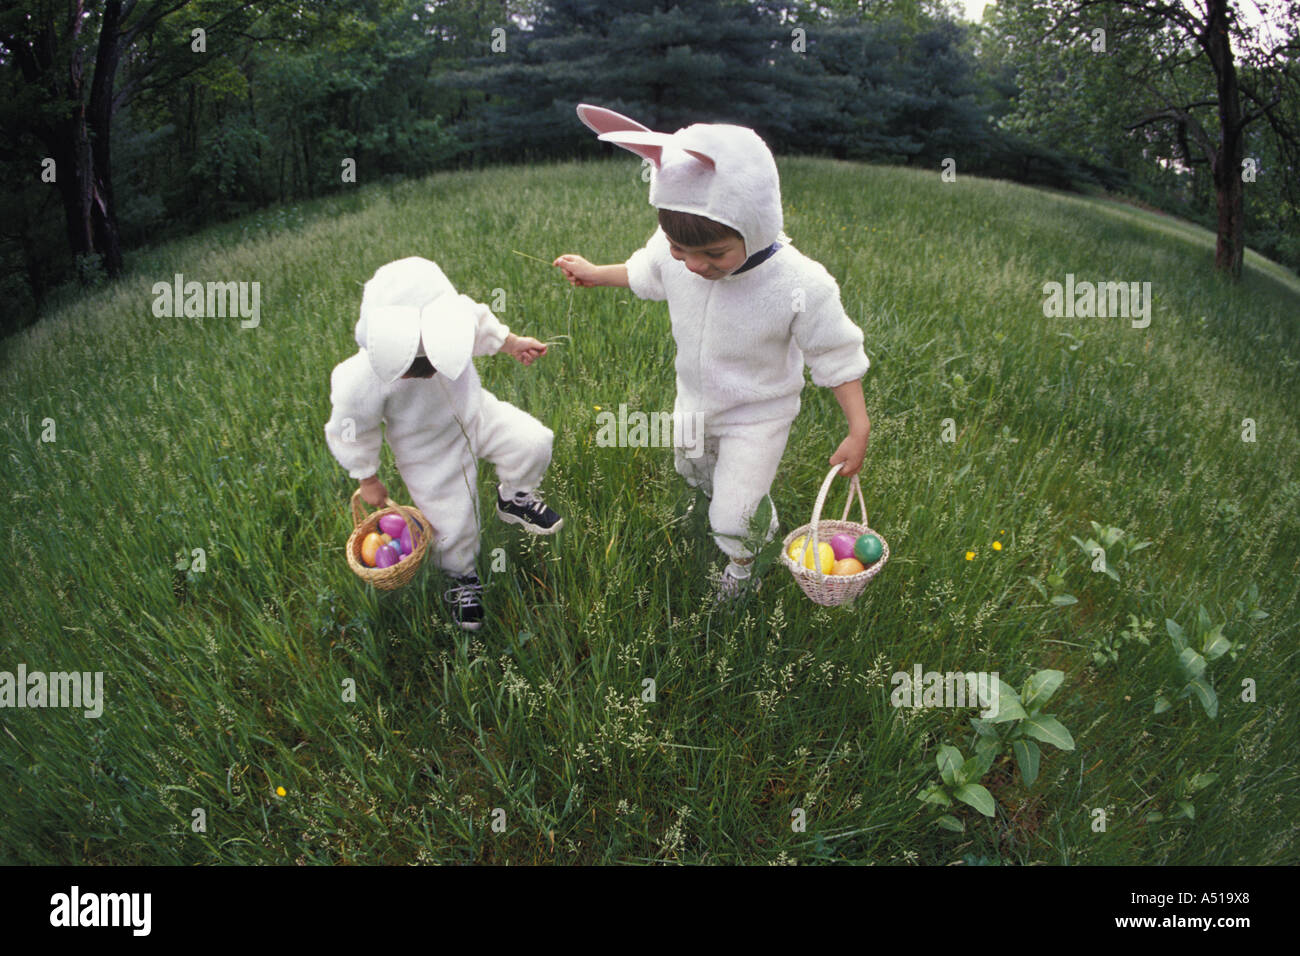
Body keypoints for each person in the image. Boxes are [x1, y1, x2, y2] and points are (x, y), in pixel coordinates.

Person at [553, 104, 870, 600]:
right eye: (682, 250)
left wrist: (858, 427)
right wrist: (596, 272)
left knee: (733, 518)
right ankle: (719, 494)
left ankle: (747, 565)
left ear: (756, 224)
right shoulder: (675, 250)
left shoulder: (799, 283)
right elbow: (647, 270)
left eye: (714, 254)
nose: (694, 266)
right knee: (692, 470)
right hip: (694, 405)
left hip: (756, 416)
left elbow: (835, 352)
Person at [325, 256, 562, 630]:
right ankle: (462, 576)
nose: (427, 374)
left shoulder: (457, 318)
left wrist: (512, 344)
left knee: (533, 442)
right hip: (427, 450)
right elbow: (351, 425)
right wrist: (366, 476)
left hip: (478, 413)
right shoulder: (361, 377)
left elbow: (480, 325)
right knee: (451, 520)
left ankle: (513, 498)